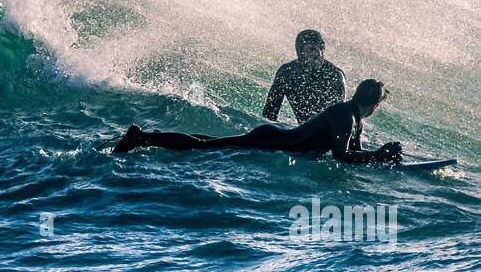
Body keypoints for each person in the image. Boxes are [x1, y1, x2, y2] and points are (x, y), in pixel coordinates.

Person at [113, 79, 402, 165]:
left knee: (211, 143)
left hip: (275, 136)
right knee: (203, 147)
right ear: (376, 105)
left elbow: (355, 151)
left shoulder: (354, 117)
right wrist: (379, 155)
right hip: (271, 140)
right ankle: (142, 138)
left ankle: (151, 136)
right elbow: (341, 155)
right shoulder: (345, 116)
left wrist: (381, 157)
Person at [263, 30, 347, 123]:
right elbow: (269, 113)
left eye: (319, 48)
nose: (317, 54)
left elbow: (342, 116)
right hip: (302, 131)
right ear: (300, 53)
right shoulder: (287, 73)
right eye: (310, 50)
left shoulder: (335, 75)